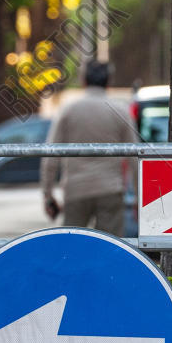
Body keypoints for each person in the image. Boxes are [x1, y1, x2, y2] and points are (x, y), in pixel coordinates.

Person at [41, 60, 137, 235]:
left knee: (72, 246)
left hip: (76, 189)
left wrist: (48, 195)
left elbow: (50, 156)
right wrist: (139, 197)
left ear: (83, 80)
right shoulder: (121, 111)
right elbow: (134, 157)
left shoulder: (68, 110)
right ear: (109, 81)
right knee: (110, 245)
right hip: (110, 188)